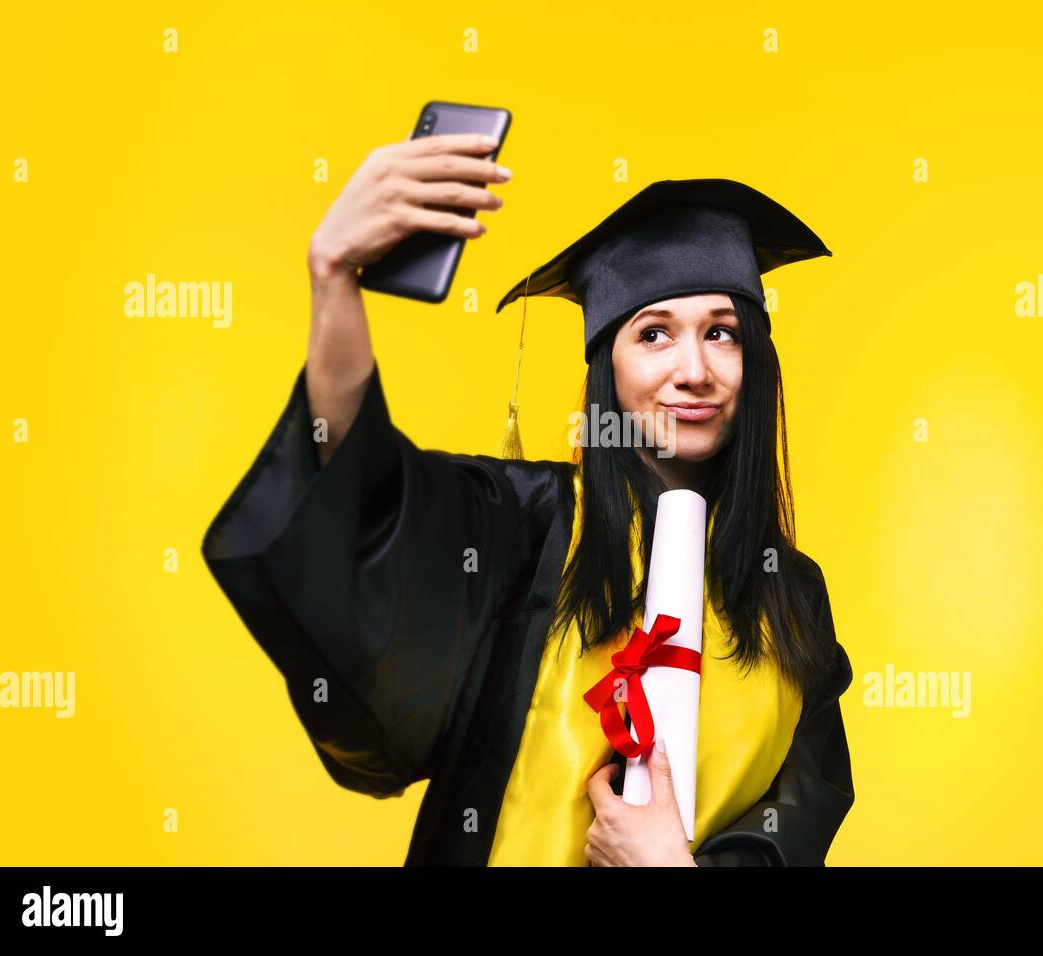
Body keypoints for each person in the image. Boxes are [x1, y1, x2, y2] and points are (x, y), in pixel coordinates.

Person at [201, 132, 856, 866]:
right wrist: (334, 280)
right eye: (654, 334)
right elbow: (363, 496)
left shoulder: (793, 600)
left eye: (724, 334)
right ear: (608, 365)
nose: (693, 369)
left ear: (755, 363)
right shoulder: (529, 527)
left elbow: (790, 837)